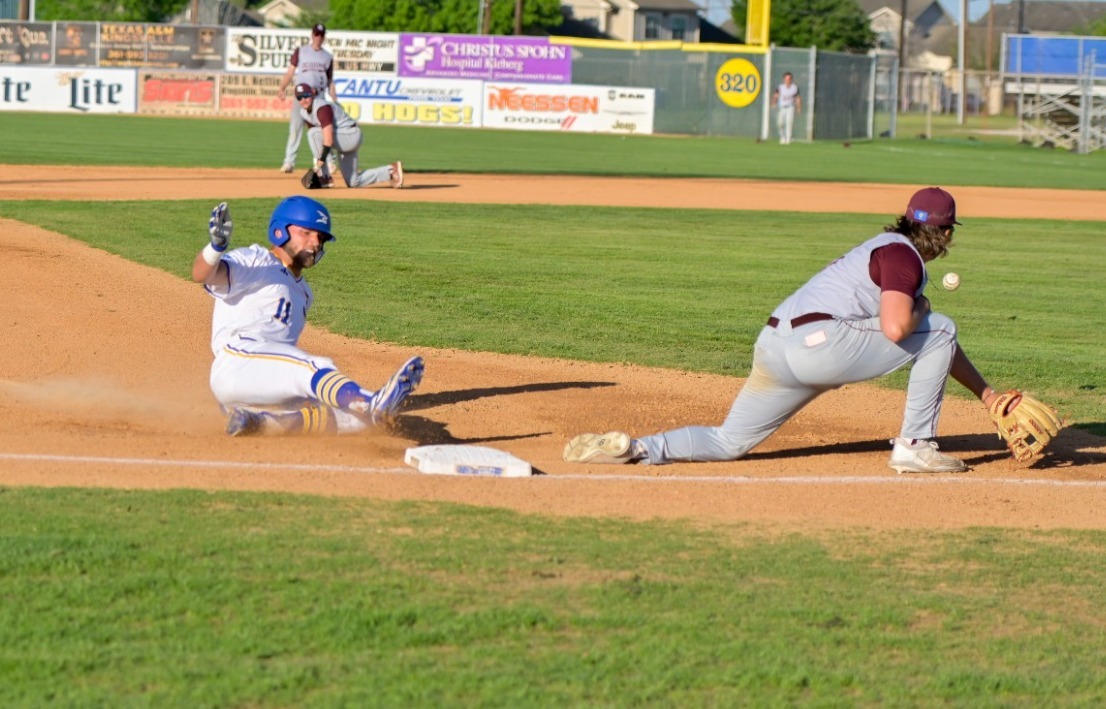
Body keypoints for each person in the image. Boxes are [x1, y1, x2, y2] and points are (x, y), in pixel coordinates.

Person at [564, 187, 1015, 474]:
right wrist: (923, 306)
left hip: (775, 345)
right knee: (939, 326)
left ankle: (635, 449)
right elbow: (899, 328)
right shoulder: (903, 257)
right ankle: (915, 446)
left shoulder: (879, 247)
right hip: (820, 346)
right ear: (946, 233)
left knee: (730, 441)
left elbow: (922, 338)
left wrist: (987, 394)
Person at [191, 196, 424, 436]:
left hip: (263, 382)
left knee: (354, 420)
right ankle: (367, 402)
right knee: (314, 366)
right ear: (280, 231)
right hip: (238, 363)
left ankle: (261, 422)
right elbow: (202, 274)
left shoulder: (304, 292)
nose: (315, 243)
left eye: (320, 237)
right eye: (307, 233)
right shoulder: (256, 261)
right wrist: (216, 248)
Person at [294, 83, 405, 189]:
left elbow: (328, 140)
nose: (303, 100)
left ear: (312, 94)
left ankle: (324, 176)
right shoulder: (303, 112)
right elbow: (320, 140)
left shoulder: (322, 108)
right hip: (342, 139)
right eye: (299, 97)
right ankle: (391, 171)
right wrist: (327, 160)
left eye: (306, 95)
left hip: (350, 135)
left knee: (313, 133)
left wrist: (318, 165)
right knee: (353, 182)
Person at [278, 23, 337, 175]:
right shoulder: (301, 51)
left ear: (324, 37)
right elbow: (290, 72)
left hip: (318, 98)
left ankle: (329, 162)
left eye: (321, 35)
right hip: (301, 98)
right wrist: (282, 87)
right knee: (295, 129)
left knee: (322, 131)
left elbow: (330, 80)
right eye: (316, 34)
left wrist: (334, 99)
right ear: (312, 35)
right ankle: (289, 162)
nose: (318, 37)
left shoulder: (327, 56)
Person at [770, 72, 801, 145]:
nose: (788, 80)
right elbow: (775, 96)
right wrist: (773, 103)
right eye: (786, 79)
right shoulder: (780, 87)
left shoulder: (794, 88)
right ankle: (782, 137)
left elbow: (797, 98)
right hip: (781, 107)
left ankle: (788, 138)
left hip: (790, 107)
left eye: (789, 79)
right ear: (784, 79)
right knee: (780, 123)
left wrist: (798, 108)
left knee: (789, 122)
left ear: (791, 79)